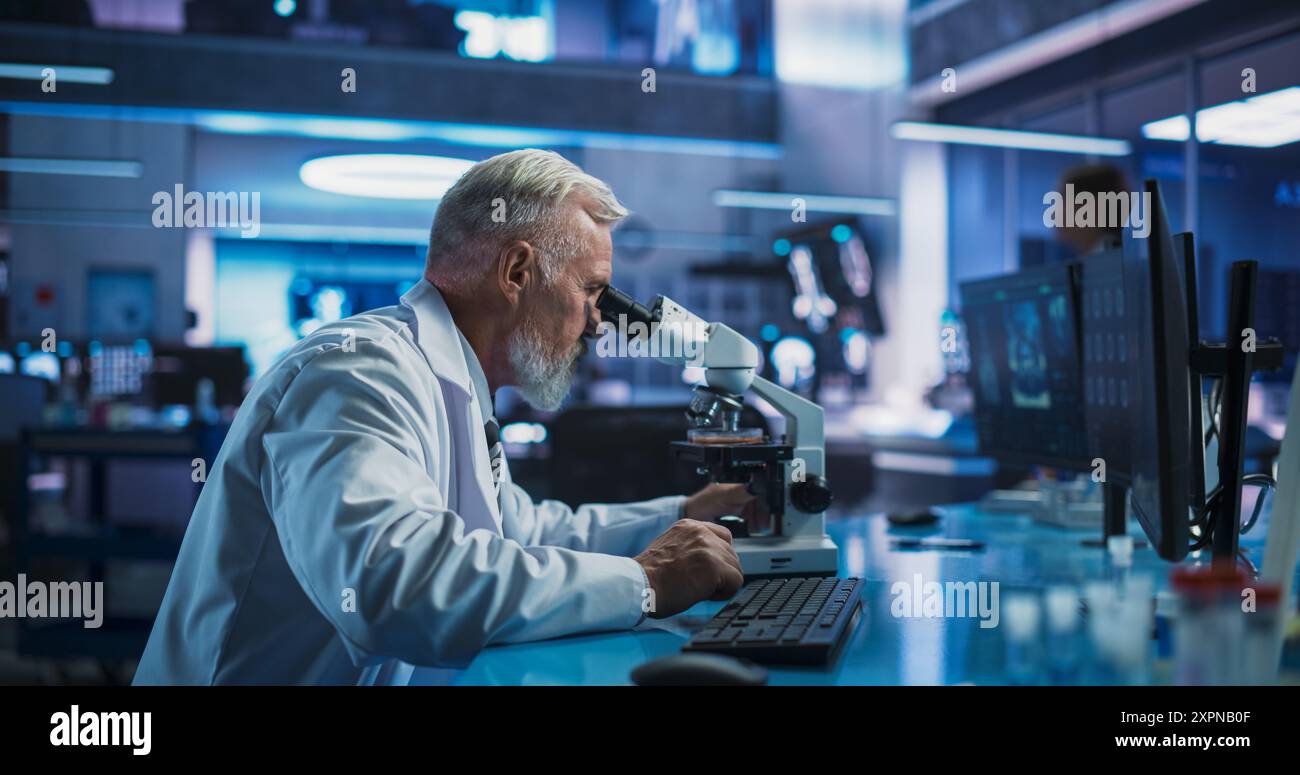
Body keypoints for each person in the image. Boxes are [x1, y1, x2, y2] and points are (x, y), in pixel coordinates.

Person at [135, 149, 750, 685]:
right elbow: (393, 586)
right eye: (591, 291)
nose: (598, 320)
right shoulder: (358, 374)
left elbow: (519, 536)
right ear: (516, 273)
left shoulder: (456, 382)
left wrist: (679, 517)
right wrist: (641, 583)